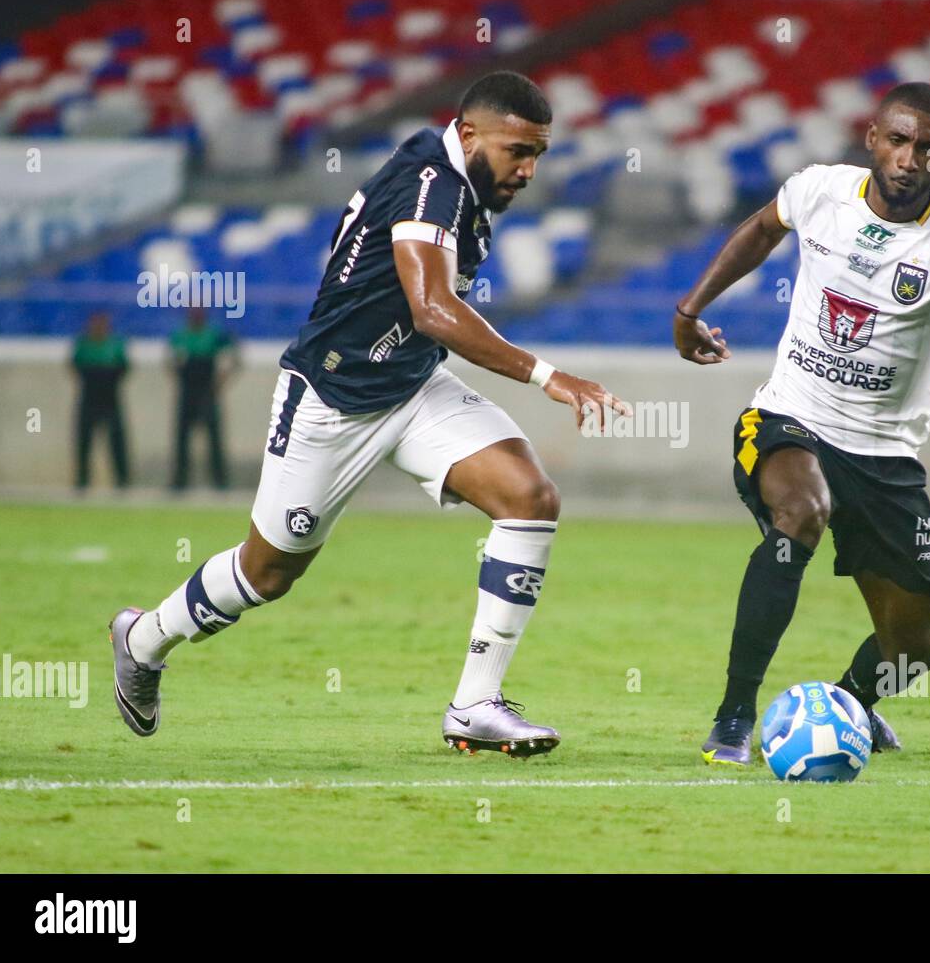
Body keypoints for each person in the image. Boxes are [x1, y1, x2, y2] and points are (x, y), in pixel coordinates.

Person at [108, 71, 629, 753]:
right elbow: (433, 309)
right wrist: (548, 376)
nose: (529, 170)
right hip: (332, 398)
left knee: (529, 497)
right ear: (469, 134)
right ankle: (143, 639)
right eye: (517, 152)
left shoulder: (462, 180)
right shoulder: (431, 184)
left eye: (538, 154)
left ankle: (475, 704)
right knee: (266, 575)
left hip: (412, 388)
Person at [673, 82, 930, 763]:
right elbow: (760, 230)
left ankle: (850, 707)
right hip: (788, 419)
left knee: (914, 651)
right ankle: (735, 716)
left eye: (927, 147)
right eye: (897, 140)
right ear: (872, 139)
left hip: (886, 455)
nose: (908, 157)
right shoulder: (820, 191)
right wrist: (689, 311)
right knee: (800, 513)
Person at [170, 308, 238, 489]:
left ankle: (220, 481)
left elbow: (234, 354)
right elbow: (170, 359)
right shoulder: (181, 335)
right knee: (182, 437)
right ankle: (180, 480)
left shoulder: (214, 334)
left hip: (207, 390)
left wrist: (221, 380)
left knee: (214, 437)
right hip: (188, 390)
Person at [72, 310, 130, 489]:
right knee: (84, 442)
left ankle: (122, 481)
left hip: (110, 400)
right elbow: (75, 366)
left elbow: (124, 367)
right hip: (89, 399)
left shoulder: (116, 345)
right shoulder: (83, 345)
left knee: (117, 442)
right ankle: (83, 480)